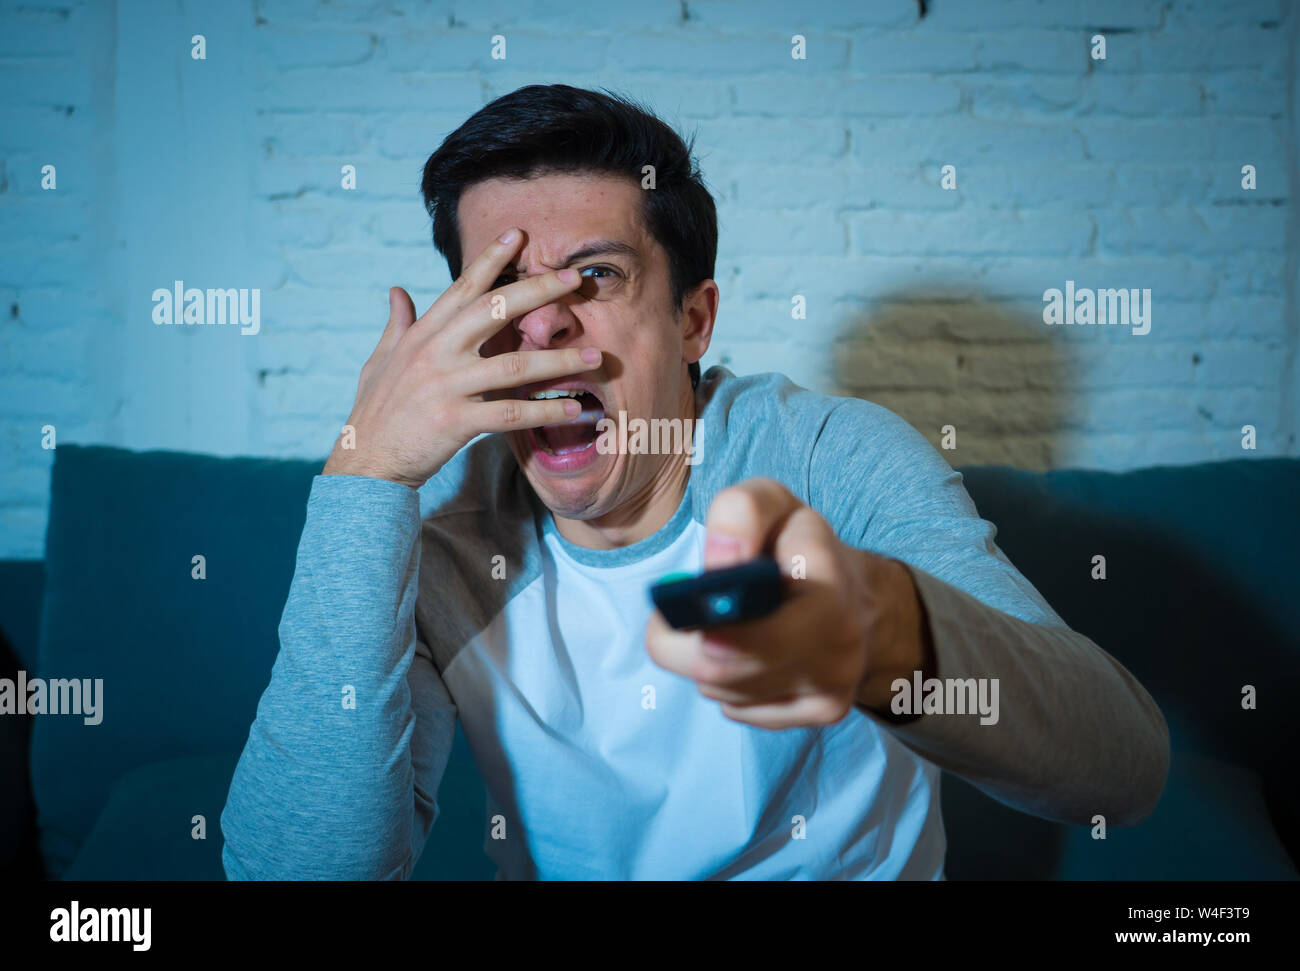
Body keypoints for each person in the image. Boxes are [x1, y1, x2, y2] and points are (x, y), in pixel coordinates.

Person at [220, 84, 1169, 880]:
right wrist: (362, 472)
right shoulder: (435, 533)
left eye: (593, 275)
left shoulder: (832, 460)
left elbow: (1122, 767)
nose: (541, 326)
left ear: (693, 319)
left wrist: (886, 632)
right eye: (503, 287)